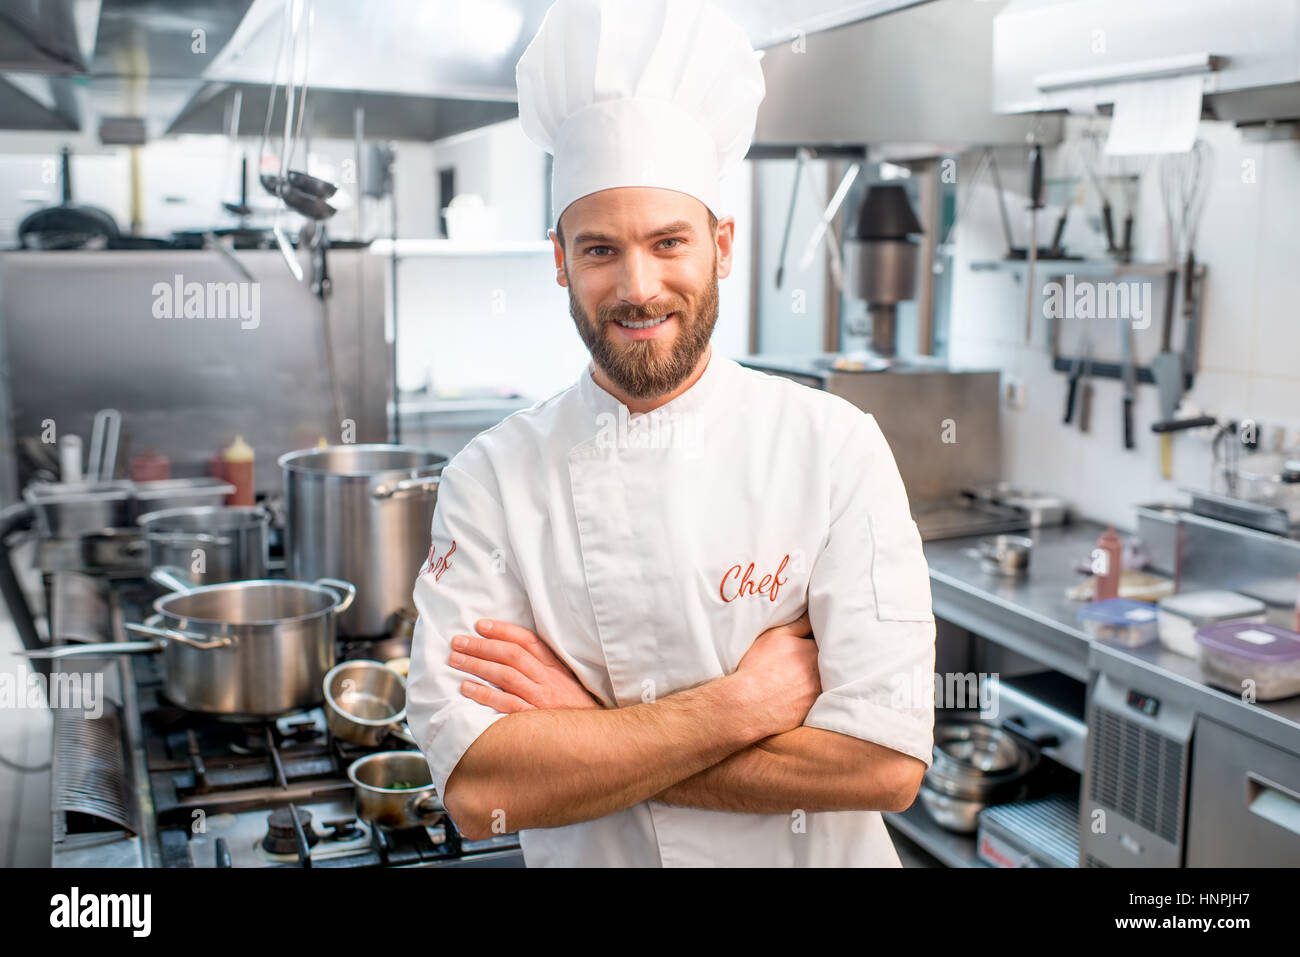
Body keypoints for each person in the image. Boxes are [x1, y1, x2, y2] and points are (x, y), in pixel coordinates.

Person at [405, 0, 936, 867]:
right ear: (559, 260)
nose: (638, 286)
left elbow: (882, 765)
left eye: (669, 241)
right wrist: (741, 707)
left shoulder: (834, 448)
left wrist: (586, 734)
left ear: (722, 246)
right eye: (601, 249)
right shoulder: (490, 480)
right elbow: (480, 791)